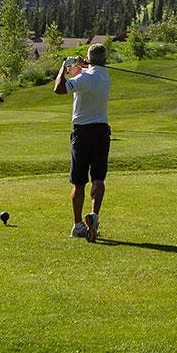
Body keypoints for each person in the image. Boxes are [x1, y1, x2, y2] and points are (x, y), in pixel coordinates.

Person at [54, 43, 112, 241]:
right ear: (104, 59)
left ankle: (78, 225)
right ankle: (94, 215)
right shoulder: (105, 76)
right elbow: (88, 73)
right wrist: (81, 65)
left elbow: (59, 89)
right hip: (102, 131)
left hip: (82, 133)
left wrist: (64, 67)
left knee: (79, 182)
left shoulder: (85, 78)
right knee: (98, 178)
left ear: (89, 58)